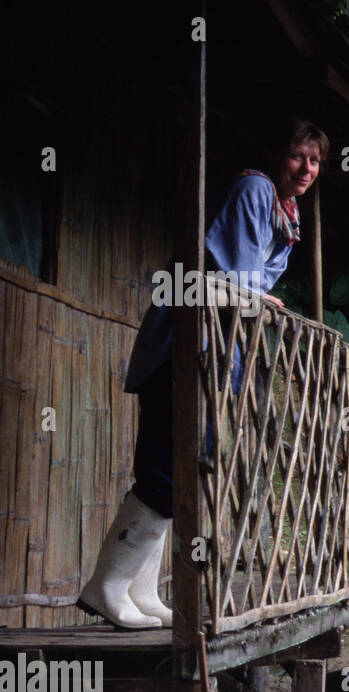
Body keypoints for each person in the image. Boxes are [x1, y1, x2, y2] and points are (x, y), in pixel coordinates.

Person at [77, 117, 328, 630]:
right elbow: (238, 275)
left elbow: (253, 283)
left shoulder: (288, 214)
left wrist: (257, 298)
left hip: (215, 349)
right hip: (185, 342)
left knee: (185, 467)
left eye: (316, 160)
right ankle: (105, 586)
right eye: (298, 156)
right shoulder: (255, 188)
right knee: (167, 468)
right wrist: (258, 298)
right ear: (277, 155)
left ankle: (140, 588)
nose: (307, 169)